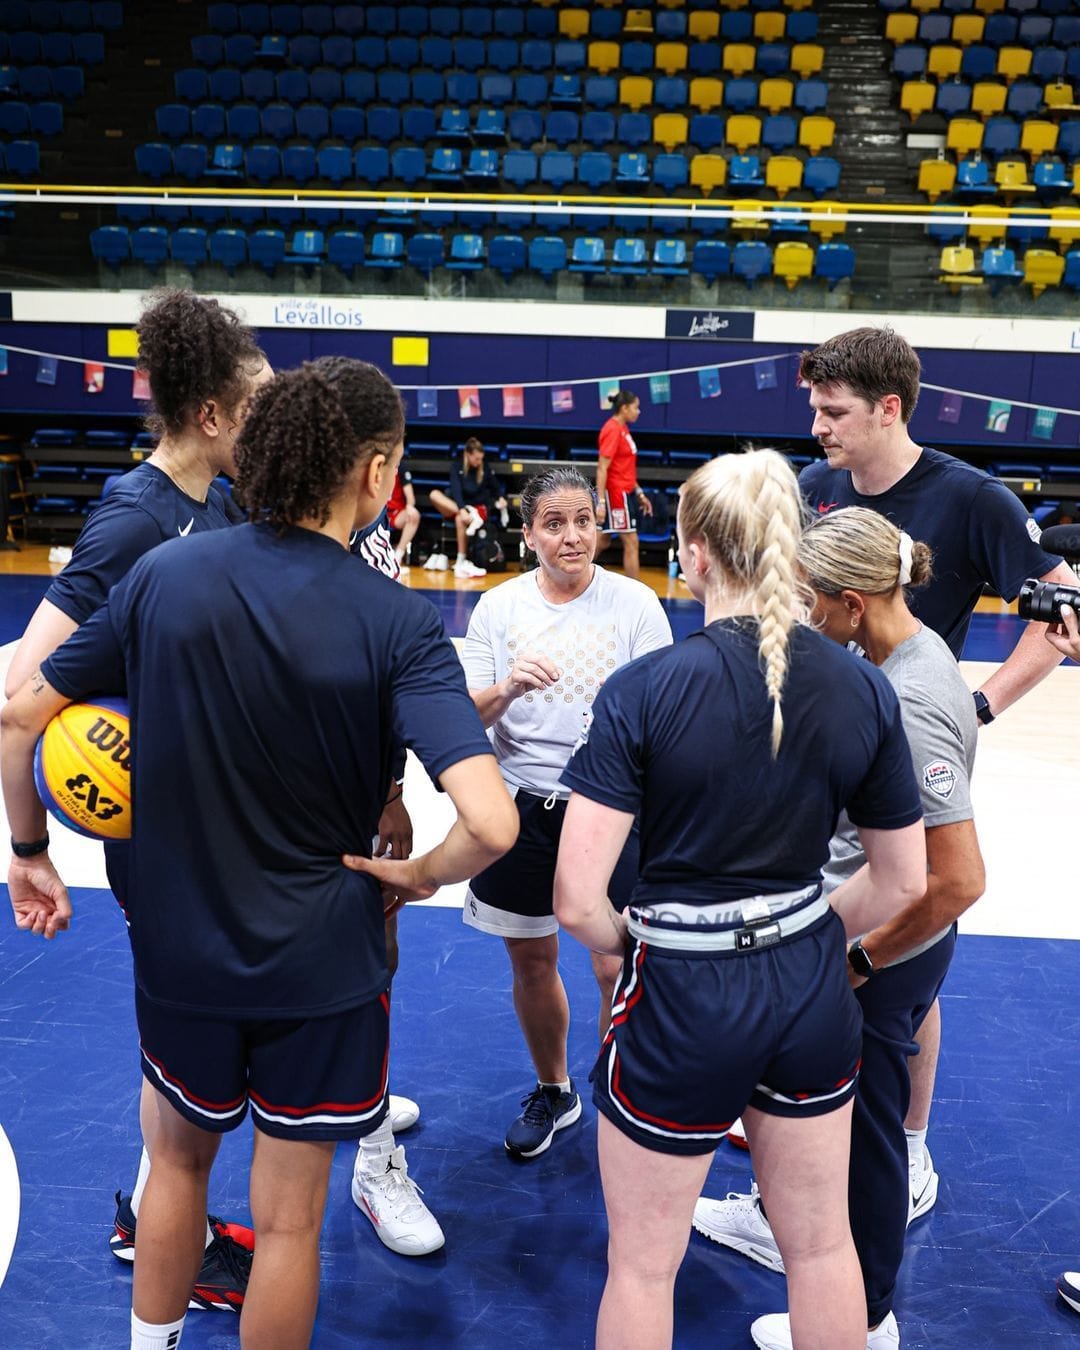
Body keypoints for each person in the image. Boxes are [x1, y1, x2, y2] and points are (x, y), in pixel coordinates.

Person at [0, 357, 519, 1350]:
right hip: (321, 968)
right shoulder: (399, 621)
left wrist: (30, 851)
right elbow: (493, 825)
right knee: (287, 1224)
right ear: (372, 473)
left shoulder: (163, 575)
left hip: (182, 949)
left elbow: (21, 719)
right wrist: (417, 876)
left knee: (178, 1171)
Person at [552, 450, 928, 1350]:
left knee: (644, 1266)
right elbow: (906, 880)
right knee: (823, 1247)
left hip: (681, 994)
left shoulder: (644, 689)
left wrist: (638, 938)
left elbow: (575, 898)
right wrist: (799, 938)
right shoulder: (863, 683)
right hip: (809, 993)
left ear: (693, 554)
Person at [3, 287, 270, 1312]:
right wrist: (29, 849)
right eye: (255, 406)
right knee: (182, 1050)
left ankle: (179, 1214)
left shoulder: (222, 500)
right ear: (211, 416)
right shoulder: (135, 518)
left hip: (214, 817)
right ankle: (165, 1230)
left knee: (202, 1041)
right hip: (158, 837)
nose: (267, 422)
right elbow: (21, 698)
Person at [693, 507, 986, 1350]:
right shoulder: (907, 653)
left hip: (883, 949)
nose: (803, 613)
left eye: (813, 599)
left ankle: (865, 1318)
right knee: (834, 1115)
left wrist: (858, 958)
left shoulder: (913, 696)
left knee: (865, 1132)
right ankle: (784, 1227)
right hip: (877, 935)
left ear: (854, 603)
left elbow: (957, 878)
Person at [796, 324, 1071, 1214]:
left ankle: (906, 1146)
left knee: (912, 935)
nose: (819, 427)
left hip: (909, 751)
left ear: (890, 408)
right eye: (813, 407)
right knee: (828, 929)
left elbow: (1064, 612)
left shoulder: (973, 499)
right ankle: (821, 1128)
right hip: (821, 752)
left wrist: (979, 706)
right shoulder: (816, 487)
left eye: (834, 411)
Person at [458, 466, 672, 1159]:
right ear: (529, 535)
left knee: (617, 962)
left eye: (584, 519)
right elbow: (465, 716)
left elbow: (667, 716)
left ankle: (623, 1086)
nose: (573, 535)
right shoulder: (500, 610)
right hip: (520, 805)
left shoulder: (637, 606)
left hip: (611, 809)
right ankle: (555, 1090)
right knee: (532, 960)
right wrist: (510, 685)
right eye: (555, 523)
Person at [428, 436, 508, 579]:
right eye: (476, 459)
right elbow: (456, 490)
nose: (479, 462)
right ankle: (466, 513)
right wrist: (462, 509)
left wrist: (502, 497)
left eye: (480, 459)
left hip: (476, 509)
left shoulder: (484, 468)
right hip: (459, 507)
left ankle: (461, 559)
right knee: (434, 494)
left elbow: (496, 487)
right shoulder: (457, 467)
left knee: (460, 519)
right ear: (467, 455)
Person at [595, 389, 653, 582]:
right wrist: (601, 502)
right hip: (616, 494)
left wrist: (639, 493)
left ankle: (565, 573)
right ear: (624, 408)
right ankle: (637, 593)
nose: (639, 411)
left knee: (602, 540)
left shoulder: (623, 429)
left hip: (626, 492)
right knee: (632, 542)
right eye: (636, 407)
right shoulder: (611, 430)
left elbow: (625, 467)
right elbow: (602, 468)